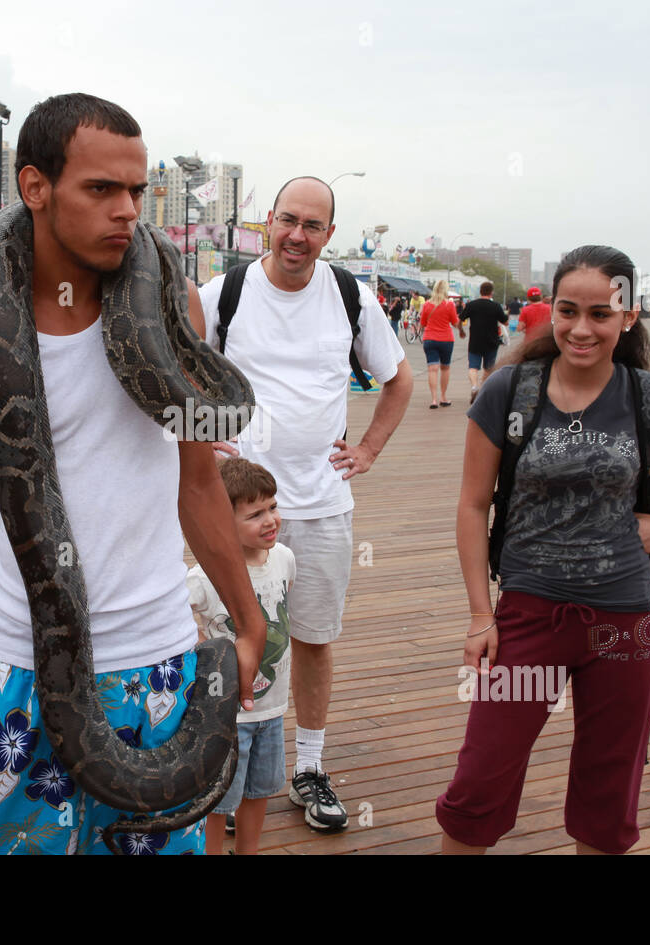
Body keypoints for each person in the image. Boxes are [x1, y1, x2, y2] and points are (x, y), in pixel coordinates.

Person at [0, 92, 265, 856]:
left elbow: (198, 482)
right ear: (35, 188)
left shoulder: (179, 315)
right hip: (16, 669)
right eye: (101, 190)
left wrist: (248, 616)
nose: (127, 211)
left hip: (162, 664)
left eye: (136, 191)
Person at [437, 244, 650, 855]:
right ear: (550, 311)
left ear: (627, 317)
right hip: (529, 616)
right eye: (567, 311)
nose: (581, 329)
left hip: (626, 623)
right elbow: (473, 506)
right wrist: (482, 614)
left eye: (600, 314)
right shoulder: (509, 391)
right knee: (480, 781)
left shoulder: (648, 395)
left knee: (609, 792)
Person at [197, 175, 412, 831]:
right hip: (233, 506)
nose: (297, 235)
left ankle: (309, 768)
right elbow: (175, 373)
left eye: (312, 225)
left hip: (319, 504)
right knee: (225, 633)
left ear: (328, 234)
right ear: (267, 221)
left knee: (313, 637)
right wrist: (200, 444)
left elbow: (398, 378)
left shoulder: (351, 296)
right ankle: (227, 772)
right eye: (288, 220)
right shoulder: (223, 292)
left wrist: (369, 447)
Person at [188, 458, 294, 855]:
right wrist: (200, 639)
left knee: (261, 789)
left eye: (272, 508)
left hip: (273, 709)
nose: (270, 521)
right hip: (227, 717)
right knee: (218, 800)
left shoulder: (284, 559)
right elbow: (180, 607)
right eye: (254, 515)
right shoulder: (203, 575)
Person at [461, 280, 508, 403]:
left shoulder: (472, 305)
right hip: (492, 342)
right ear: (491, 293)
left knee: (473, 367)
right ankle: (483, 391)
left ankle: (474, 386)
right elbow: (505, 322)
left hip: (475, 341)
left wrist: (461, 331)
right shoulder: (496, 306)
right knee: (488, 368)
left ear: (480, 291)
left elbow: (460, 319)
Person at [420, 279, 459, 407]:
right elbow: (454, 322)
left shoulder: (427, 304)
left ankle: (434, 399)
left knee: (432, 369)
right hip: (446, 339)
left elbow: (423, 323)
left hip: (430, 338)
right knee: (445, 368)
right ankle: (443, 397)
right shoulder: (450, 305)